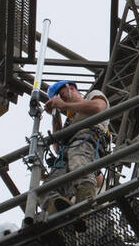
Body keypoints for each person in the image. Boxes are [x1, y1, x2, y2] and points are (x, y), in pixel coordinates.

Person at [41, 80, 110, 221]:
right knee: (46, 188)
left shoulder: (93, 96)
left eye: (62, 95)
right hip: (67, 155)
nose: (61, 100)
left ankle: (86, 205)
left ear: (71, 88)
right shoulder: (69, 122)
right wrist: (56, 115)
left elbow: (98, 108)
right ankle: (59, 216)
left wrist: (64, 105)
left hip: (87, 140)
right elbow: (58, 148)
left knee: (78, 162)